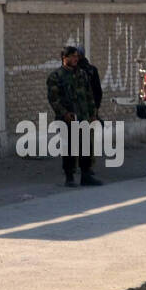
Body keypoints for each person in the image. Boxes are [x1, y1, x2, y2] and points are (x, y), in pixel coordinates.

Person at [46, 45, 102, 187]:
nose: (76, 59)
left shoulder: (82, 74)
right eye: (73, 56)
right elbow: (54, 99)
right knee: (69, 147)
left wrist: (93, 113)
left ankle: (86, 174)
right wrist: (64, 113)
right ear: (65, 58)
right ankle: (69, 176)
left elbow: (89, 95)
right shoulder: (56, 76)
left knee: (86, 146)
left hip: (83, 116)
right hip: (68, 119)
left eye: (77, 56)